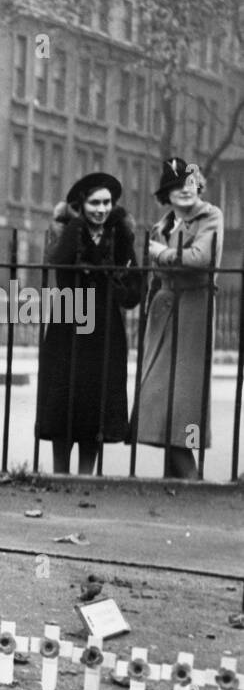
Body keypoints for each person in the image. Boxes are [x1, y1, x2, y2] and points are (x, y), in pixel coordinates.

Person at [38, 172, 143, 474]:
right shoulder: (69, 230)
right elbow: (59, 263)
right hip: (69, 320)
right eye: (94, 202)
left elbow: (133, 286)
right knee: (64, 395)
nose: (101, 209)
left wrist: (118, 287)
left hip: (105, 328)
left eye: (107, 203)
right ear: (81, 204)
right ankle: (60, 472)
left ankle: (86, 474)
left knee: (95, 400)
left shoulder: (119, 235)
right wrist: (74, 226)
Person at [133, 157, 224, 479]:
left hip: (193, 310)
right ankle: (174, 481)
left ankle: (191, 481)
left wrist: (162, 254)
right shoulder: (162, 225)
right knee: (160, 397)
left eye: (188, 185)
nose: (184, 192)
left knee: (187, 401)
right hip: (164, 309)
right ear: (166, 195)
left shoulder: (210, 216)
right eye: (175, 188)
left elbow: (201, 257)